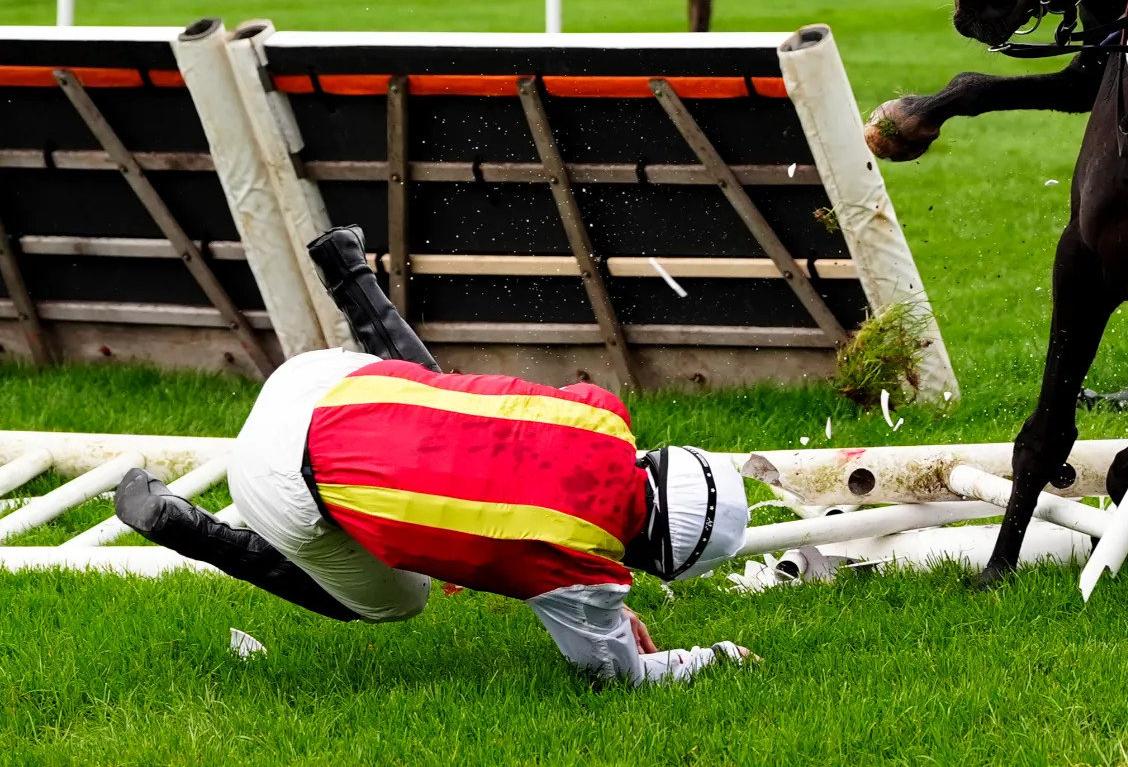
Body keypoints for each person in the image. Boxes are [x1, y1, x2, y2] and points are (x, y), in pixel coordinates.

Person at [116, 226, 755, 685]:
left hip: (313, 378)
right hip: (274, 480)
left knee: (440, 398)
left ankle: (354, 278)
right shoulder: (582, 578)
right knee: (400, 601)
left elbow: (520, 465)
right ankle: (186, 528)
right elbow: (619, 673)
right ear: (658, 557)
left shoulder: (602, 415)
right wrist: (718, 654)